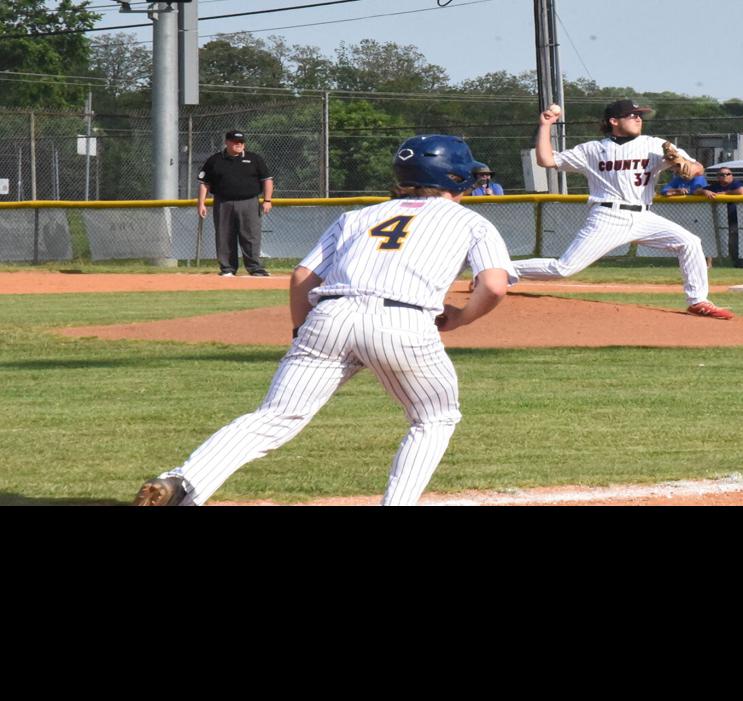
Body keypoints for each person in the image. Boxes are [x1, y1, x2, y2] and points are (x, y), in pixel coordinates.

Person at [133, 135, 517, 507]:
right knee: (434, 418)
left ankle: (183, 480)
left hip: (330, 314)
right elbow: (494, 286)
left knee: (275, 416)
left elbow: (303, 275)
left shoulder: (358, 216)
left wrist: (303, 333)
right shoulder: (471, 222)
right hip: (404, 321)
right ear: (456, 177)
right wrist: (461, 317)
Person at [511, 100, 732, 319]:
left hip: (644, 216)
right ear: (614, 121)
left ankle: (698, 301)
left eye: (640, 116)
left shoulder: (654, 144)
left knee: (690, 242)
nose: (638, 119)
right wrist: (545, 125)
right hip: (608, 216)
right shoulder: (592, 150)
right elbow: (546, 160)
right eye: (632, 115)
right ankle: (500, 270)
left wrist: (685, 166)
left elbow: (697, 167)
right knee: (563, 269)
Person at [197, 130, 274, 277]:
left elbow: (267, 180)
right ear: (227, 142)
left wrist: (267, 200)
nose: (239, 144)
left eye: (241, 142)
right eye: (235, 142)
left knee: (251, 235)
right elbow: (204, 183)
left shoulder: (254, 159)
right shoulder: (215, 160)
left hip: (249, 202)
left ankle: (255, 268)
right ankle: (227, 268)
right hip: (223, 202)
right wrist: (201, 203)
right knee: (224, 235)